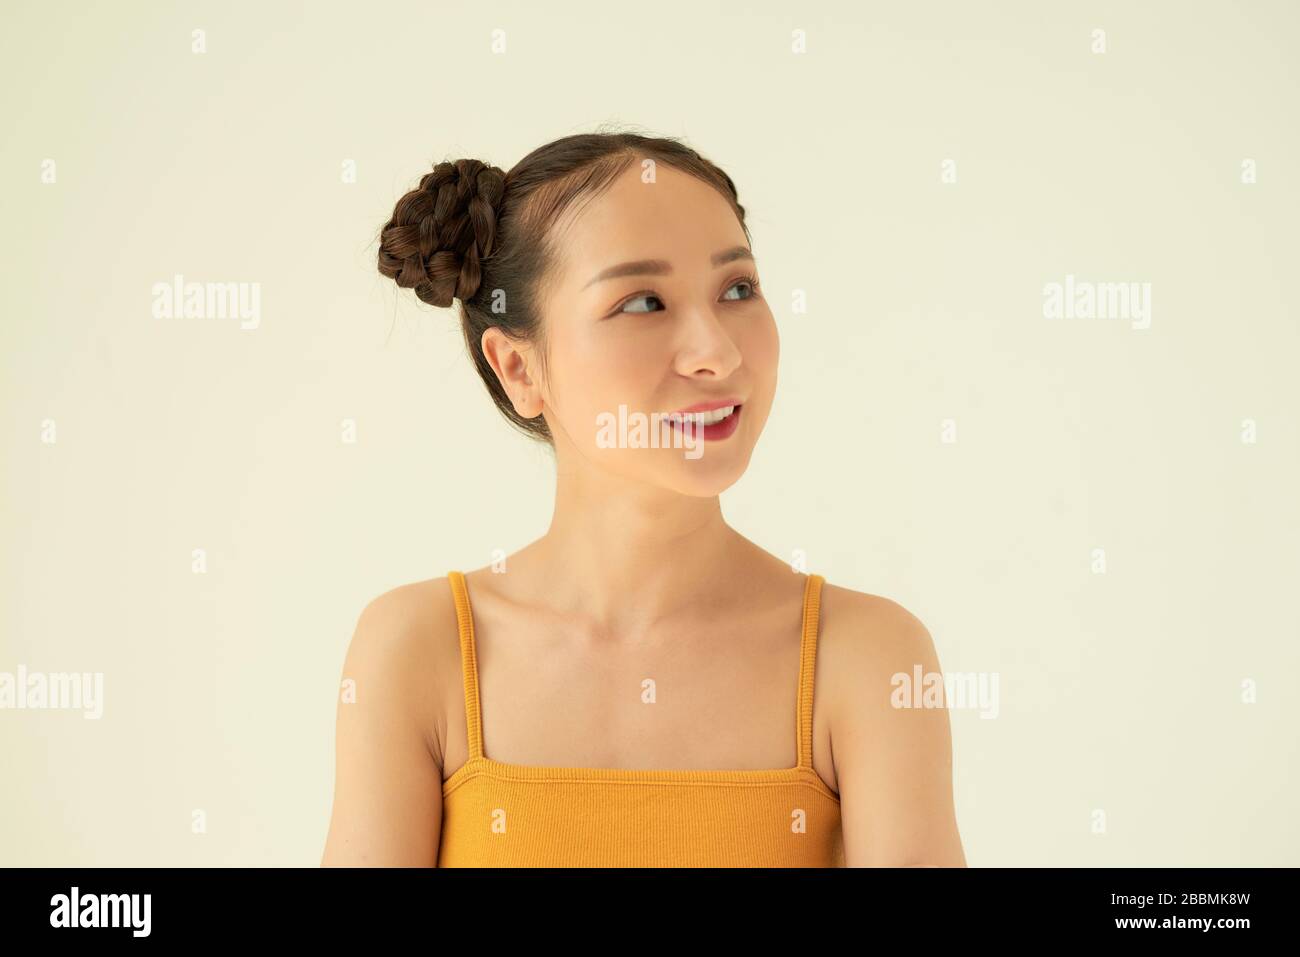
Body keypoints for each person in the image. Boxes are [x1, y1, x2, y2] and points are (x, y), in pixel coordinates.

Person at [321, 129, 966, 867]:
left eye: (737, 289)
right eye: (644, 302)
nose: (717, 352)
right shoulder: (416, 649)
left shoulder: (866, 657)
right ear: (518, 367)